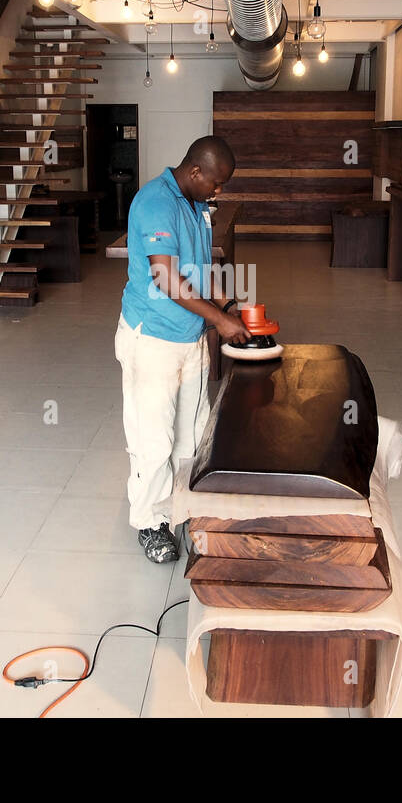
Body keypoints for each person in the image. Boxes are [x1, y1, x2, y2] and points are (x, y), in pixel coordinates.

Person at [114, 136, 251, 563]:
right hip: (152, 339)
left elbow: (198, 271)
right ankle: (152, 521)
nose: (219, 191)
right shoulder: (156, 203)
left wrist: (227, 305)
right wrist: (219, 320)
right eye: (216, 183)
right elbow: (166, 278)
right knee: (153, 439)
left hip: (189, 339)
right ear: (195, 172)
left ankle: (185, 505)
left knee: (191, 435)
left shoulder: (195, 204)